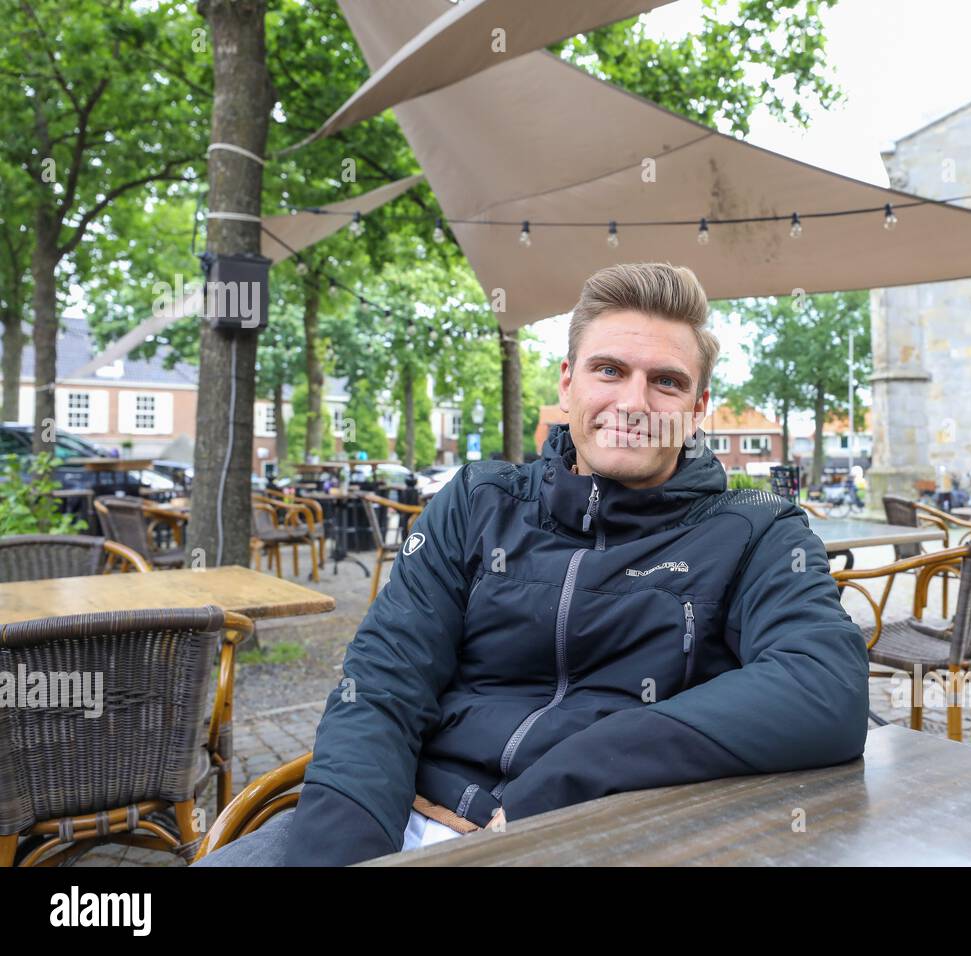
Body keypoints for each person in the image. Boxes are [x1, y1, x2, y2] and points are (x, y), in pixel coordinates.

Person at [197, 262, 869, 866]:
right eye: (610, 370)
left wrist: (567, 779)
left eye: (666, 382)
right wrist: (347, 847)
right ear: (568, 383)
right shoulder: (476, 500)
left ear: (696, 410)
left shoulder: (758, 530)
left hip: (596, 834)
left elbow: (825, 689)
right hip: (399, 817)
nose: (634, 404)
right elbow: (381, 684)